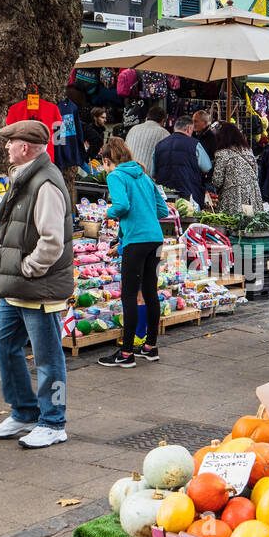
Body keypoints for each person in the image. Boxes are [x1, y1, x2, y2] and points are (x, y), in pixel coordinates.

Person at [0, 120, 72, 448]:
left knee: (49, 359)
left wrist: (29, 268)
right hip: (18, 287)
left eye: (10, 142)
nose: (6, 147)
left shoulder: (45, 183)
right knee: (4, 345)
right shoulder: (25, 178)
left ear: (25, 147)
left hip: (38, 287)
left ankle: (54, 422)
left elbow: (52, 241)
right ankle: (24, 412)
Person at [96, 138, 165, 369]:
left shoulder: (115, 176)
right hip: (155, 238)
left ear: (107, 160)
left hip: (136, 241)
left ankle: (126, 353)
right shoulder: (144, 176)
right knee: (150, 291)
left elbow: (122, 206)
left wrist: (107, 212)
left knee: (128, 294)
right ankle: (150, 346)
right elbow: (162, 209)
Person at [153, 115, 212, 205]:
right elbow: (206, 168)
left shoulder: (159, 145)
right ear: (189, 129)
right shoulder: (195, 144)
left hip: (165, 197)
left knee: (169, 218)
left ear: (174, 128)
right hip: (189, 194)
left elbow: (153, 173)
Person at [211, 122, 263, 214]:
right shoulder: (248, 150)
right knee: (250, 222)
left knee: (233, 224)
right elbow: (256, 172)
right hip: (252, 194)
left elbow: (217, 181)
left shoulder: (222, 154)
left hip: (233, 197)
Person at [123, 102, 169, 176]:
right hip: (147, 178)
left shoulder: (133, 129)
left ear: (147, 118)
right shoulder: (164, 133)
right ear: (163, 121)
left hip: (127, 173)